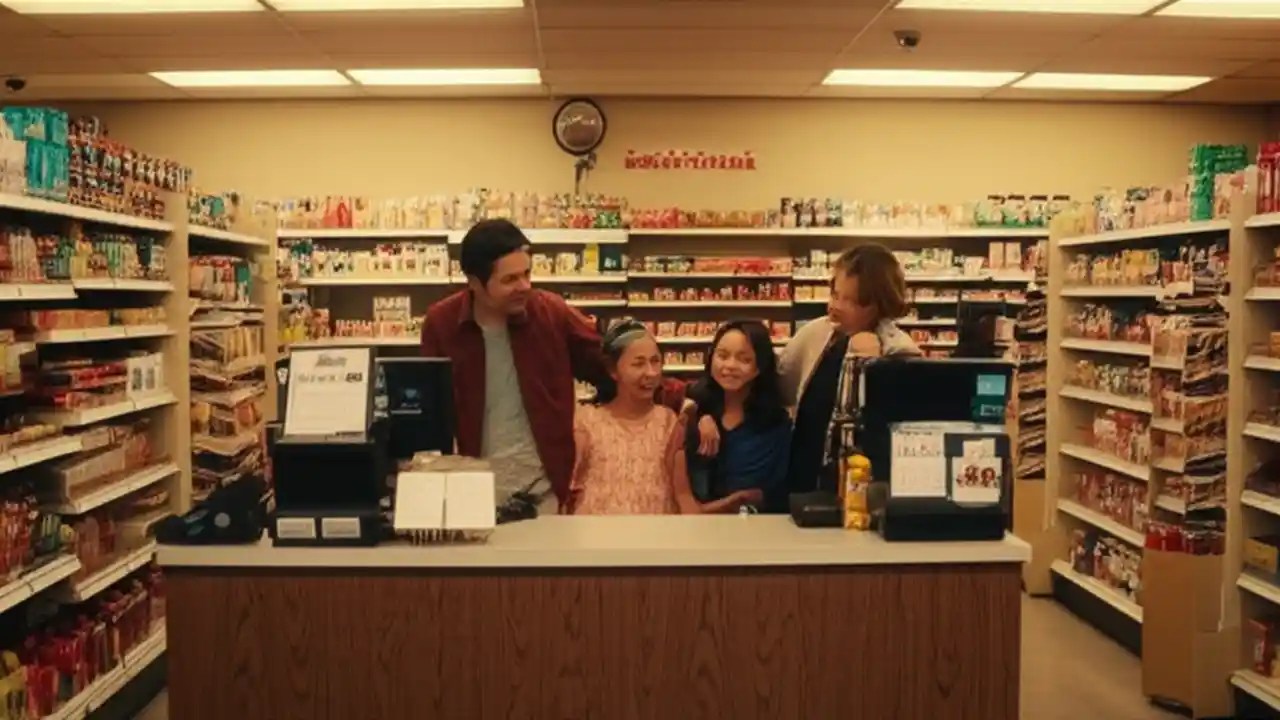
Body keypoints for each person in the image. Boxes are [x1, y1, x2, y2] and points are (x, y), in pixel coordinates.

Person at [420, 219, 606, 515]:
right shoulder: (442, 325)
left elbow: (608, 367)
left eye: (527, 274)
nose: (524, 287)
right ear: (474, 283)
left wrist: (690, 399)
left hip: (541, 493)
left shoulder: (551, 313)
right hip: (470, 491)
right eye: (509, 280)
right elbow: (425, 408)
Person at [778, 243, 920, 498]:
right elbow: (774, 386)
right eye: (835, 294)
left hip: (863, 491)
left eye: (850, 301)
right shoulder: (816, 334)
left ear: (879, 304)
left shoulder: (900, 351)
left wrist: (872, 366)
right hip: (803, 481)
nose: (836, 306)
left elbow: (902, 430)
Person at [569, 319, 702, 515]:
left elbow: (683, 495)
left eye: (655, 361)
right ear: (613, 370)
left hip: (656, 538)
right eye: (638, 364)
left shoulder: (668, 421)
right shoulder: (586, 422)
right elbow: (569, 489)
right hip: (596, 538)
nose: (651, 373)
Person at [685, 320, 792, 513]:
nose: (730, 365)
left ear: (760, 367)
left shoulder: (774, 423)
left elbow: (770, 493)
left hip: (756, 530)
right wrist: (697, 415)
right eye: (722, 356)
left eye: (744, 359)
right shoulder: (696, 408)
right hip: (697, 530)